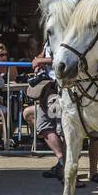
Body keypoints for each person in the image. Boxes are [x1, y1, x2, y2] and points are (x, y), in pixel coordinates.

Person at [22, 42, 65, 178]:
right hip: (49, 88)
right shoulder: (49, 36)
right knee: (43, 125)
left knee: (61, 128)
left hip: (61, 86)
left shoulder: (62, 31)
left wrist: (41, 60)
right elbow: (46, 53)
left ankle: (64, 166)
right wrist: (38, 60)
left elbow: (64, 57)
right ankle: (62, 161)